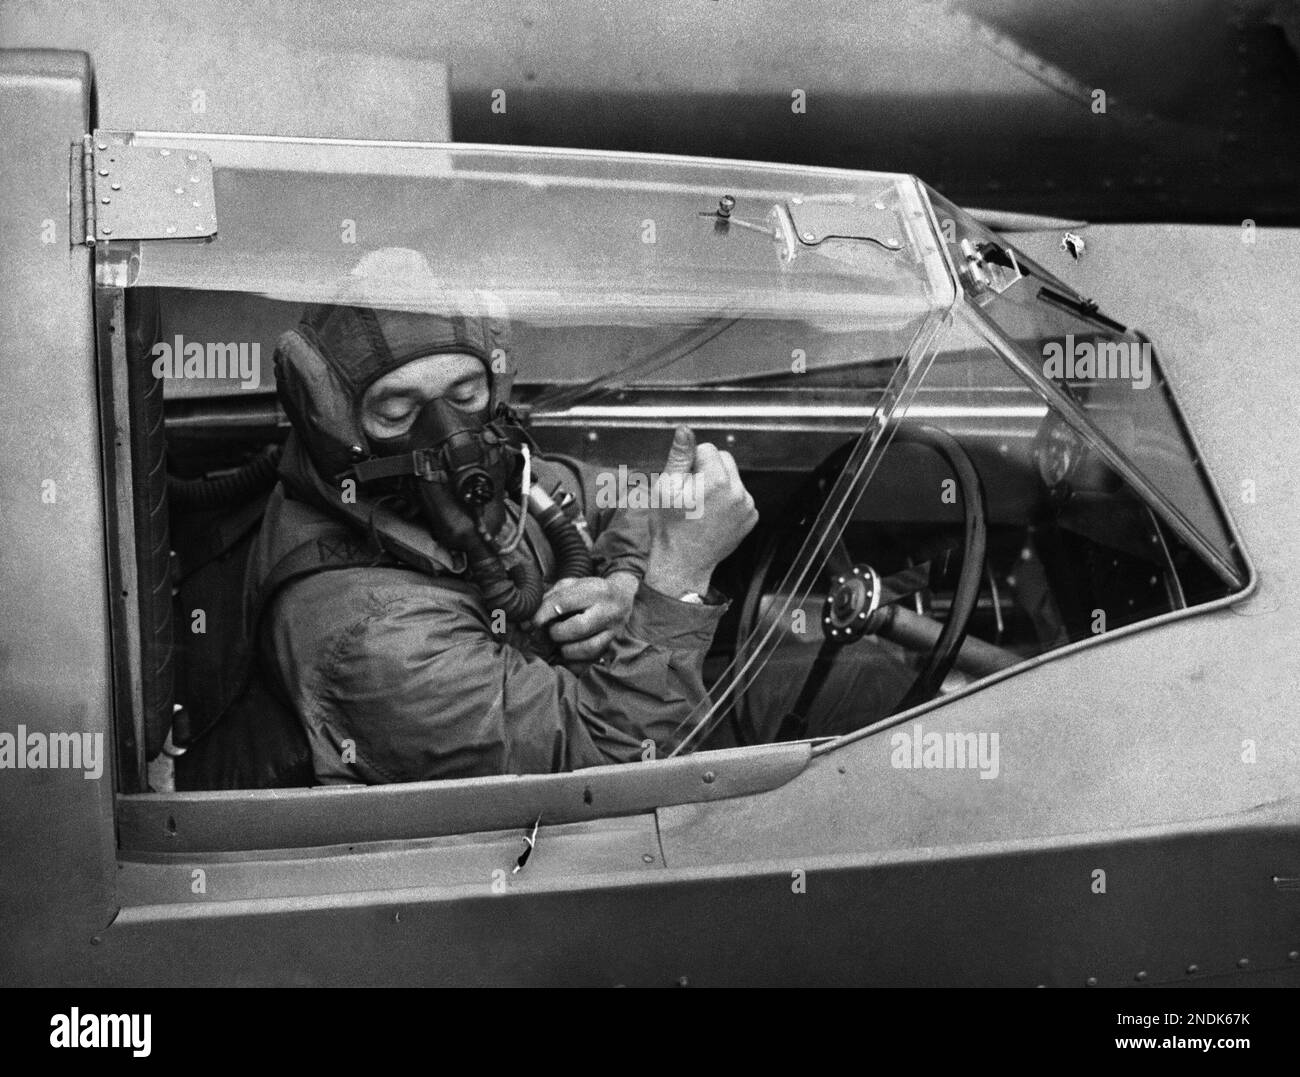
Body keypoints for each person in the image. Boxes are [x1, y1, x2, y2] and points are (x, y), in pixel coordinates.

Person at [250, 297, 757, 784]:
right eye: (397, 412)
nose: (451, 434)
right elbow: (623, 770)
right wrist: (677, 579)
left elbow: (635, 500)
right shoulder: (372, 642)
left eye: (466, 394)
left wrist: (624, 585)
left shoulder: (504, 482)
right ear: (339, 428)